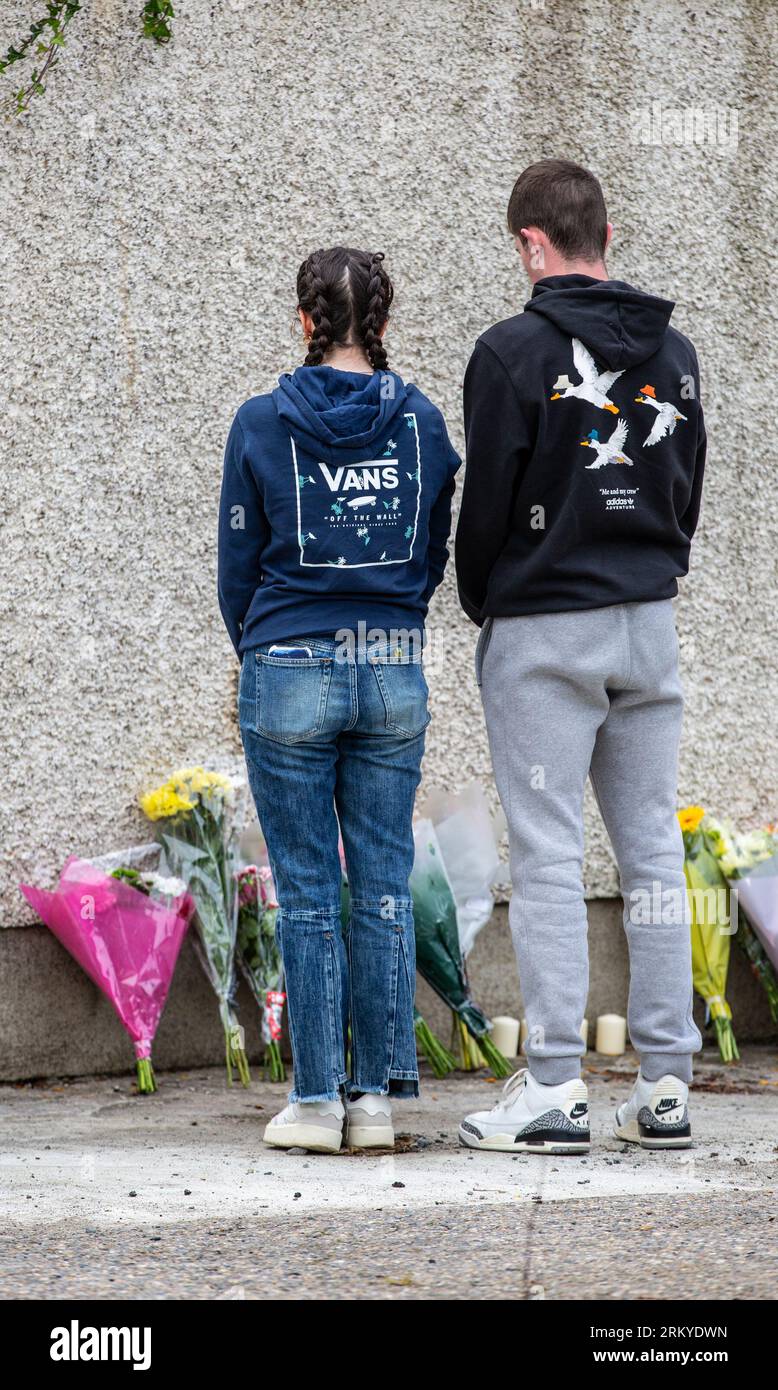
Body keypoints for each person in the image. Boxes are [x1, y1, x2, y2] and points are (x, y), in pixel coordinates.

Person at [455, 160, 706, 1154]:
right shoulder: (675, 352)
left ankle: (554, 1087)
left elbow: (483, 510)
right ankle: (665, 1087)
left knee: (550, 850)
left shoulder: (510, 352)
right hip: (647, 621)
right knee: (650, 846)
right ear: (607, 232)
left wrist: (490, 601)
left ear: (530, 244)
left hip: (544, 630)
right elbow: (685, 485)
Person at [218, 246, 460, 1153]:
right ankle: (376, 1101)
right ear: (385, 326)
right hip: (392, 662)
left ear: (304, 321)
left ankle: (315, 1102)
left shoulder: (258, 421)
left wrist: (268, 645)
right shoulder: (425, 424)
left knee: (311, 891)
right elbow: (431, 550)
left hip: (287, 661)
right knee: (384, 886)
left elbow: (236, 567)